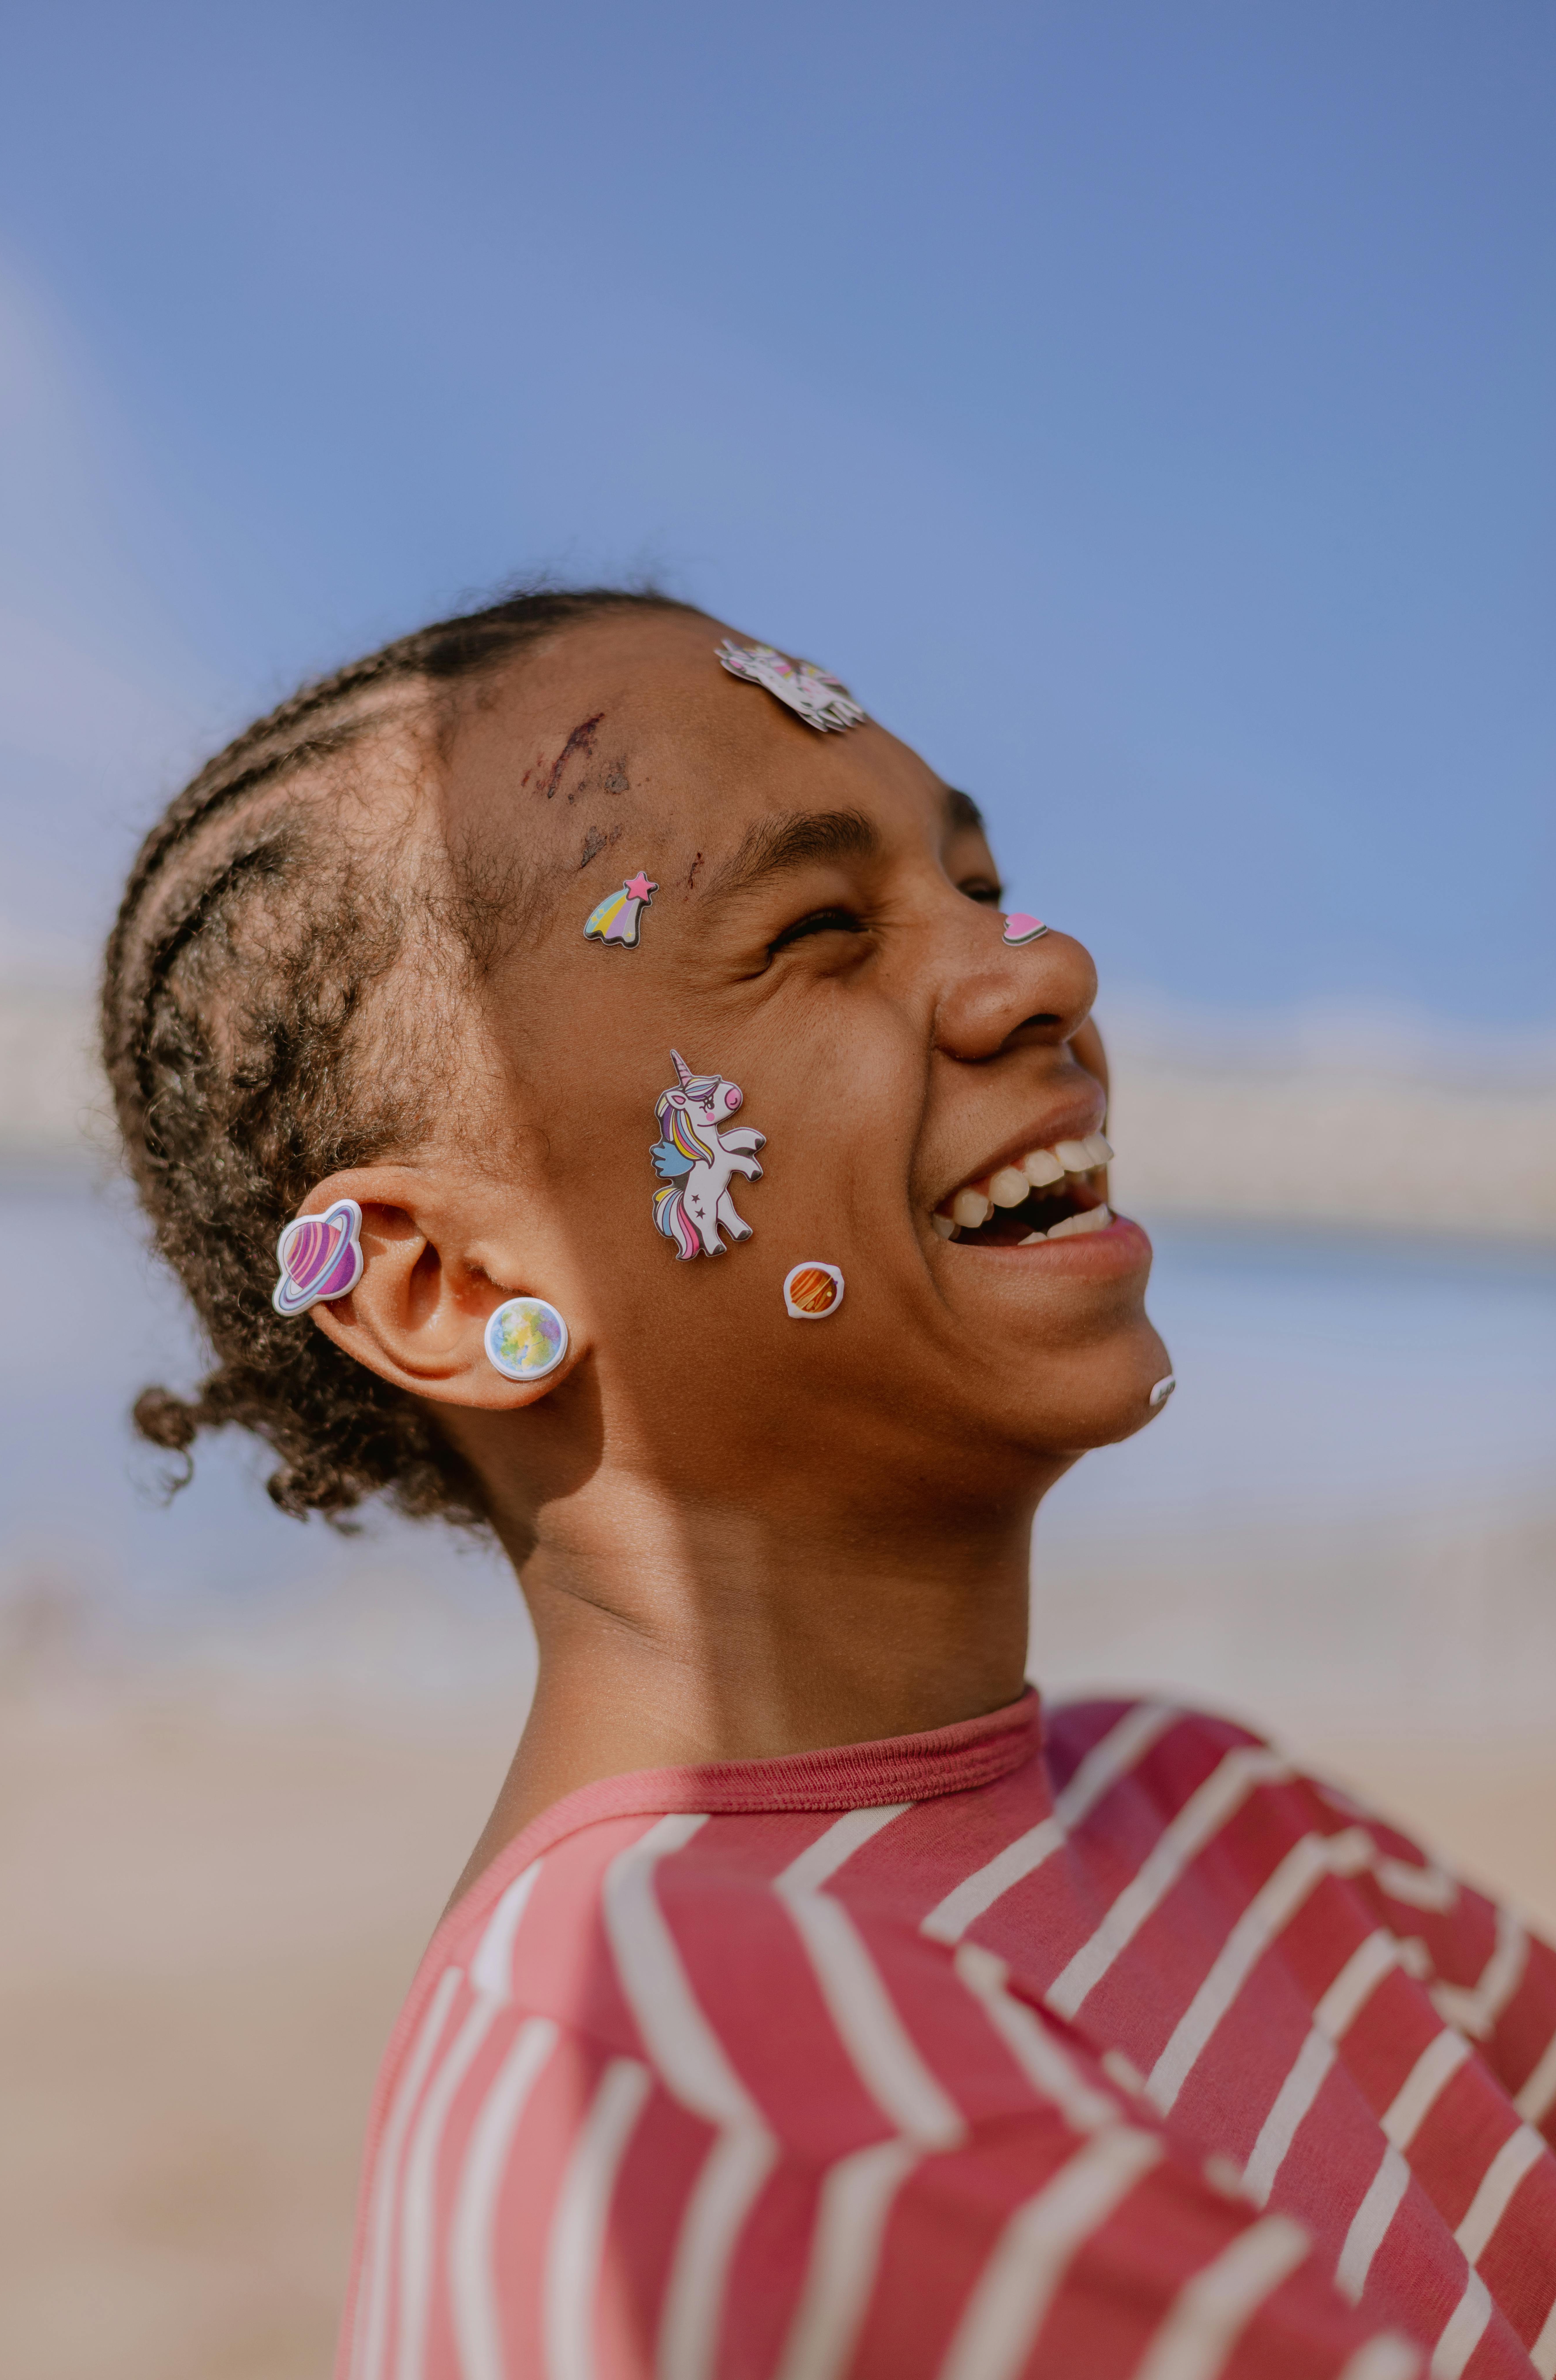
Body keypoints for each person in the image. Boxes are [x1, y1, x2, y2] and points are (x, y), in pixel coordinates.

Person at [102, 589, 1556, 2380]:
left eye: (974, 883)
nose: (1040, 969)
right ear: (459, 1291)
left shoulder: (1219, 1816)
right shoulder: (696, 2077)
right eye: (813, 930)